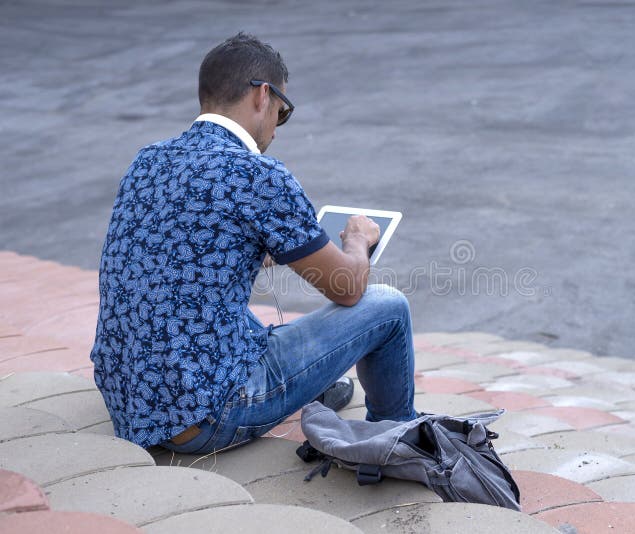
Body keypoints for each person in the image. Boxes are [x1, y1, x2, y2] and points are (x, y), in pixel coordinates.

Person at [90, 33, 417, 455]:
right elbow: (348, 288)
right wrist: (357, 239)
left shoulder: (147, 160)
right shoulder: (258, 174)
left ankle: (312, 385)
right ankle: (396, 437)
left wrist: (255, 250)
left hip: (131, 402)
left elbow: (187, 248)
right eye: (282, 114)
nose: (277, 132)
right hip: (207, 416)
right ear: (264, 95)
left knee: (195, 298)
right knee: (387, 307)